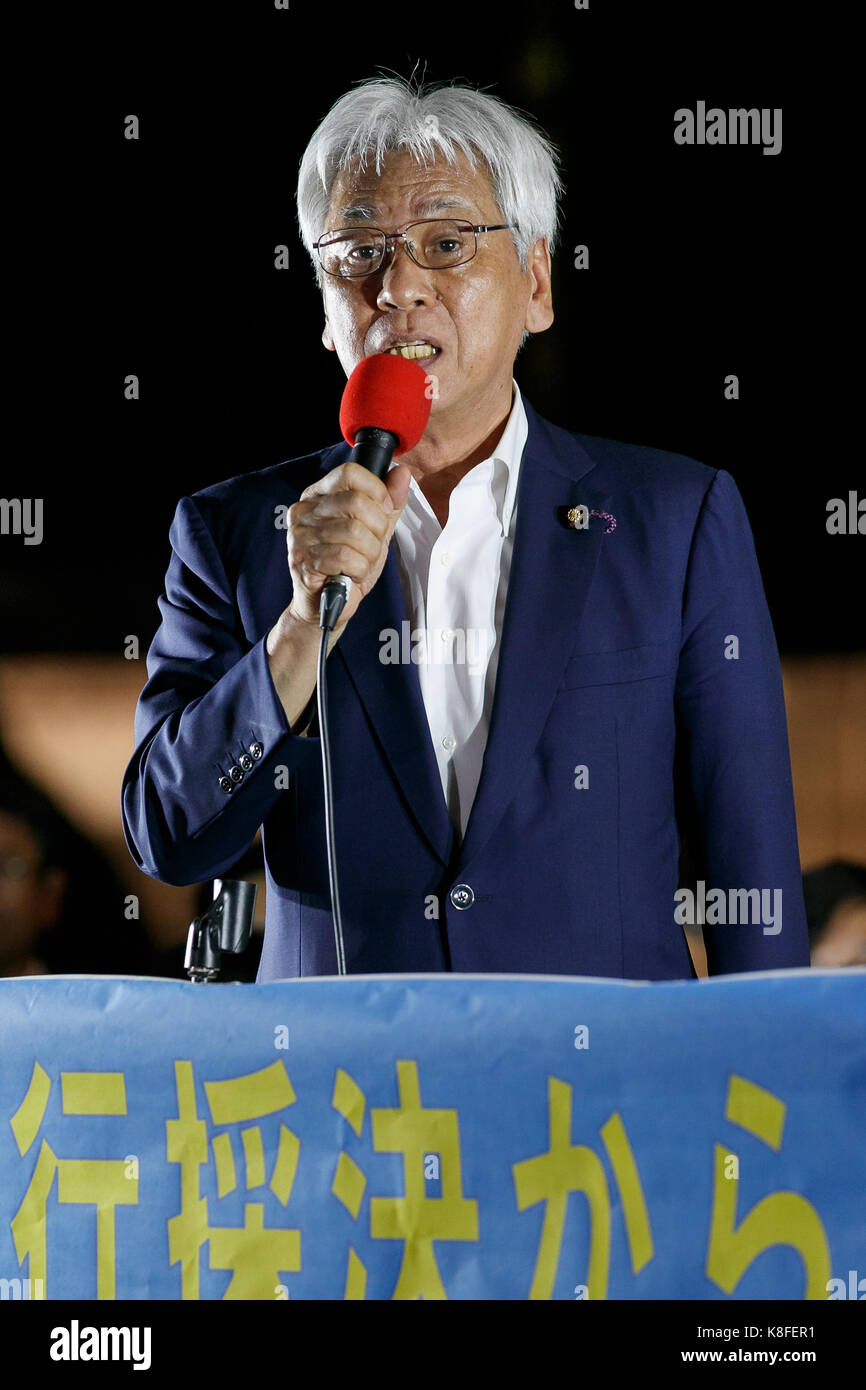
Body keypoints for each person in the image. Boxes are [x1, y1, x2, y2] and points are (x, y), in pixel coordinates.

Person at [121, 75, 811, 982]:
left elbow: (751, 872)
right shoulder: (232, 533)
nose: (400, 285)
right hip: (343, 1097)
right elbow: (169, 838)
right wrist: (295, 633)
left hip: (599, 1104)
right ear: (326, 313)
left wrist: (769, 1105)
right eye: (358, 253)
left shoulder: (673, 520)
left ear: (535, 282)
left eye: (447, 243)